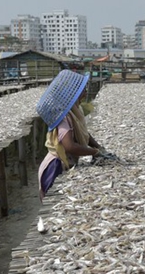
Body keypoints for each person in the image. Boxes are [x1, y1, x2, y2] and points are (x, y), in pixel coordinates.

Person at [35, 70, 111, 200]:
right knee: (55, 203)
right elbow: (69, 146)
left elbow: (83, 133)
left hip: (66, 162)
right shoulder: (64, 117)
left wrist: (98, 147)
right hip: (55, 166)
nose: (86, 92)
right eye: (82, 89)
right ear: (72, 94)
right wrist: (94, 152)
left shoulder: (75, 111)